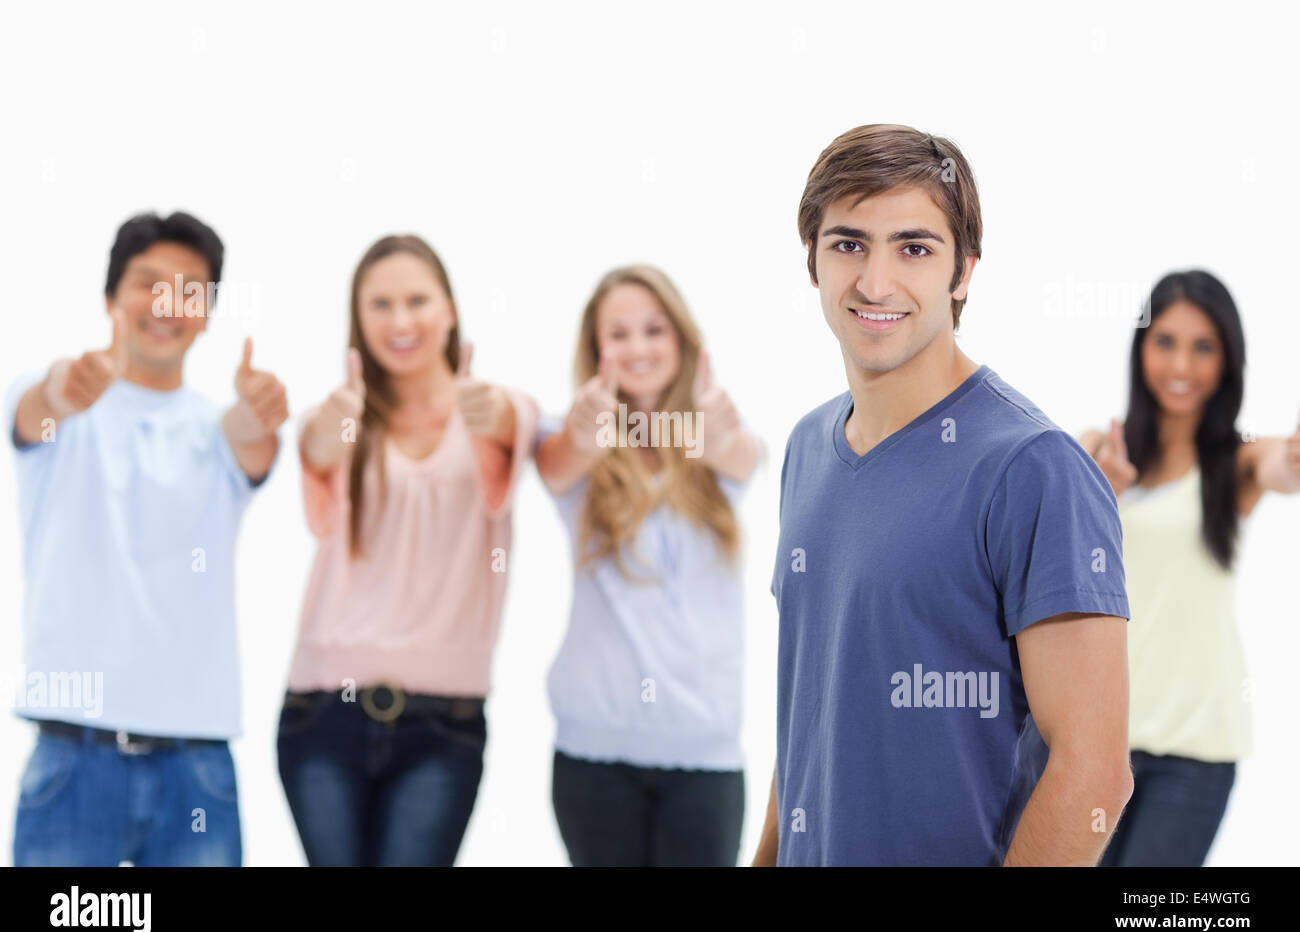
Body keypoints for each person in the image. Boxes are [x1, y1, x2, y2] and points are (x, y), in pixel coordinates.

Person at [752, 124, 1135, 867]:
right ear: (812, 262)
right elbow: (810, 719)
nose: (875, 281)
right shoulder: (807, 447)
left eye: (915, 248)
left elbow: (1095, 776)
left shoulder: (1034, 469)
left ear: (964, 272)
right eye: (848, 243)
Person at [7, 211, 286, 866]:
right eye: (149, 283)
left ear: (208, 312)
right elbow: (38, 409)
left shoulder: (219, 431)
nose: (168, 303)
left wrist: (257, 416)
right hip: (72, 761)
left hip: (196, 766)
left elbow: (252, 443)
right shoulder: (60, 415)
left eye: (190, 289)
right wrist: (62, 387)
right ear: (111, 298)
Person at [277, 234, 538, 866]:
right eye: (381, 305)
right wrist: (334, 424)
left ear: (449, 310)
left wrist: (488, 409)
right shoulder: (339, 417)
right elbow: (314, 449)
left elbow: (511, 423)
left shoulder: (497, 414)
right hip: (321, 715)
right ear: (358, 319)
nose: (400, 321)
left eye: (417, 301)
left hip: (442, 727)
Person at [534, 264, 762, 866]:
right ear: (595, 350)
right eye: (619, 334)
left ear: (682, 341)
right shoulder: (571, 444)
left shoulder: (720, 439)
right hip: (594, 755)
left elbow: (744, 458)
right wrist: (587, 436)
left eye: (653, 330)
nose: (637, 347)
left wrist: (713, 440)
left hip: (704, 755)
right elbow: (556, 463)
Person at [1077, 270, 1300, 867]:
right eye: (1166, 341)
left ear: (1227, 360)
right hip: (1097, 748)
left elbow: (1284, 465)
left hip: (1194, 754)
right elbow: (1043, 541)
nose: (1182, 364)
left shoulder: (1238, 462)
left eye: (1203, 347)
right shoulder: (1102, 450)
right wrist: (1098, 491)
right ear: (1140, 349)